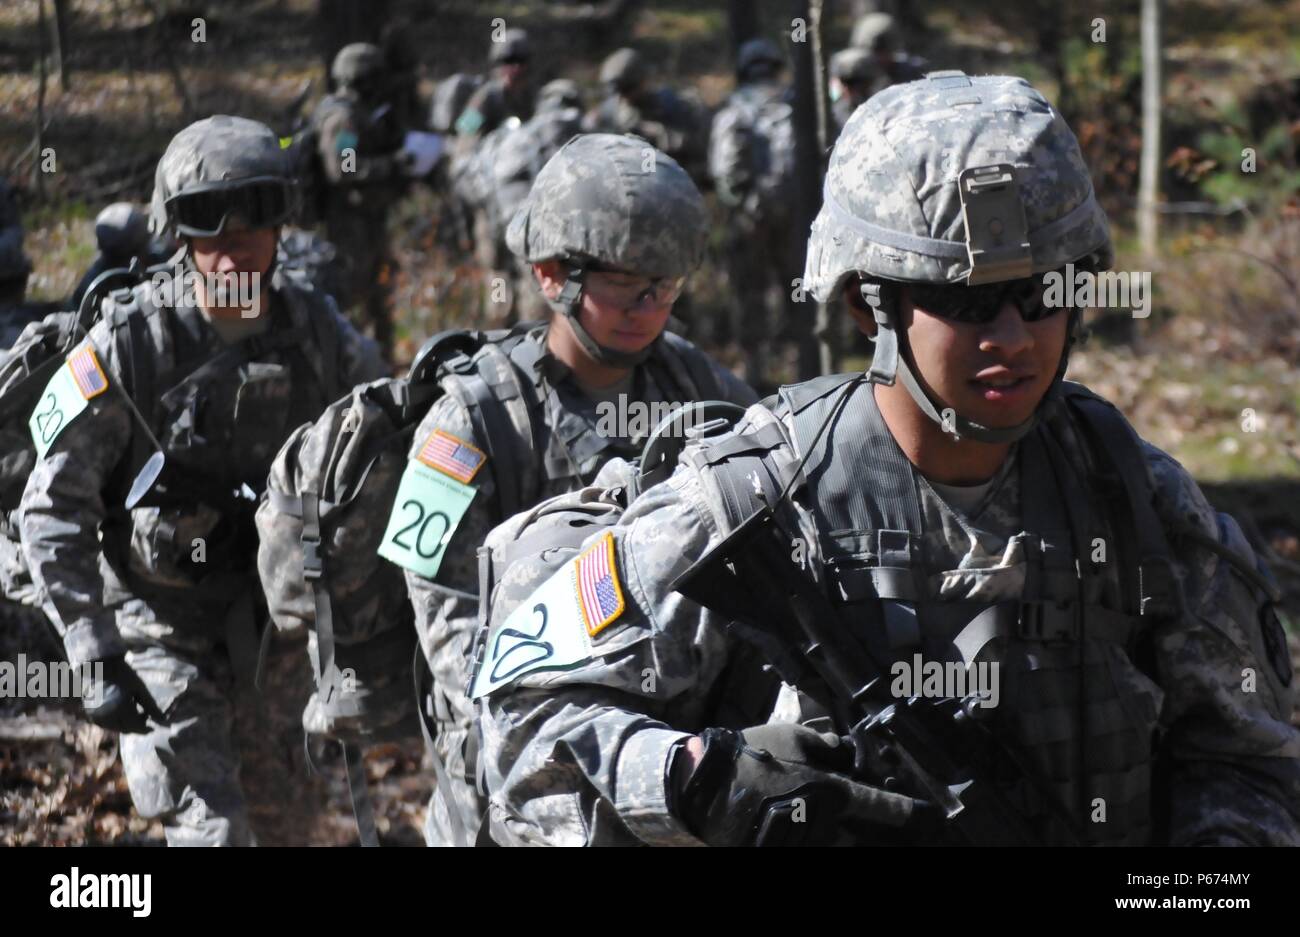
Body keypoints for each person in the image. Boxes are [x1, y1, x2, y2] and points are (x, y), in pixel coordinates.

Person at [471, 73, 1300, 846]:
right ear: (872, 304)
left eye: (1043, 294)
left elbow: (1248, 752)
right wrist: (701, 779)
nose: (1010, 336)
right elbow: (522, 716)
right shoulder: (752, 503)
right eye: (965, 299)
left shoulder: (1135, 496)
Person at [19, 114, 387, 846]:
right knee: (213, 830)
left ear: (281, 225)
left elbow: (387, 454)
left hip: (274, 632)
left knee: (290, 830)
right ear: (175, 232)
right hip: (160, 627)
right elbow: (50, 506)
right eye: (204, 224)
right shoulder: (128, 344)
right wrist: (93, 651)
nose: (230, 247)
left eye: (251, 219)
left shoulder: (320, 336)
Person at [400, 133, 756, 844]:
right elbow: (442, 613)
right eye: (628, 284)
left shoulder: (697, 385)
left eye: (667, 286)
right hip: (511, 768)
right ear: (552, 273)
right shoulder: (468, 417)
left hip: (667, 751)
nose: (649, 306)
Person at [311, 42, 413, 358]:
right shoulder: (344, 118)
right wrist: (390, 165)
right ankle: (350, 363)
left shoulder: (360, 114)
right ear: (363, 80)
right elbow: (343, 167)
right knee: (351, 295)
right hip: (348, 225)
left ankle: (382, 360)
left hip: (366, 220)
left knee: (378, 294)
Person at [708, 37, 801, 384]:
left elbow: (723, 169)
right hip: (794, 215)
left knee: (750, 292)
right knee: (796, 289)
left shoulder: (734, 108)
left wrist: (743, 203)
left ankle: (754, 373)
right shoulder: (794, 104)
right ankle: (801, 366)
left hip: (749, 218)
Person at [584, 48, 707, 183]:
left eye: (628, 89)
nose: (624, 97)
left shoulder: (671, 104)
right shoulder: (608, 112)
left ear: (642, 81)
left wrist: (662, 136)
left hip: (667, 182)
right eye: (620, 91)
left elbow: (692, 151)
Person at [454, 28, 535, 142]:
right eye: (509, 61)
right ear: (499, 63)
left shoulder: (532, 95)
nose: (516, 67)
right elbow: (466, 133)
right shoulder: (484, 98)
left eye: (521, 61)